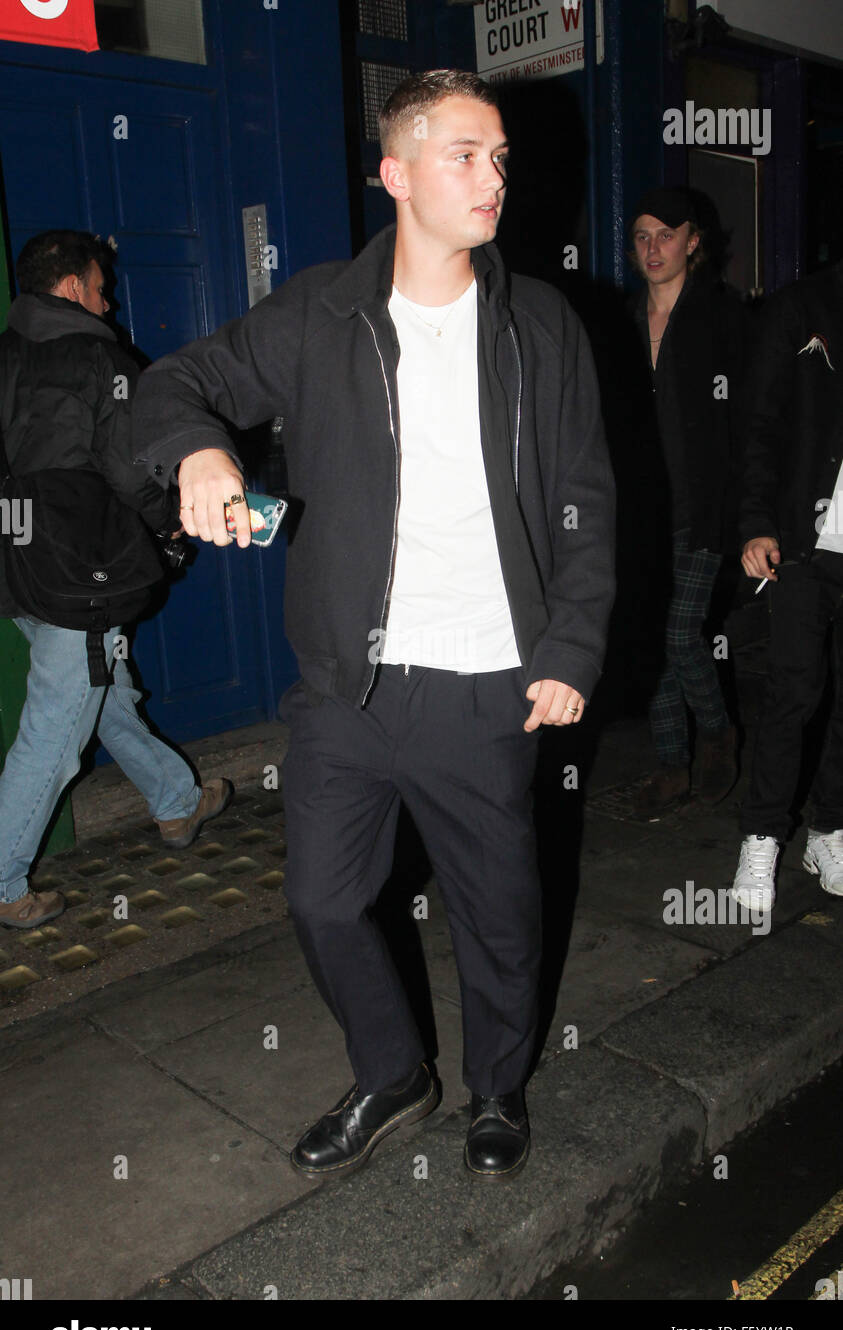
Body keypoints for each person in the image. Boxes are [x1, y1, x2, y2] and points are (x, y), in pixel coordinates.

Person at [132, 71, 616, 1181]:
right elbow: (175, 384)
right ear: (396, 174)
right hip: (351, 683)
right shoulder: (319, 312)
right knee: (324, 897)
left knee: (499, 914)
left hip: (490, 681)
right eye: (465, 155)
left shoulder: (543, 323)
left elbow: (590, 496)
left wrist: (573, 645)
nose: (494, 177)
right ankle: (394, 1070)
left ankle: (498, 1087)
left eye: (500, 157)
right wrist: (202, 449)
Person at [0, 230, 232, 930]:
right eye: (102, 286)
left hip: (17, 562)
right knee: (54, 730)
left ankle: (174, 801)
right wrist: (170, 528)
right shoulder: (100, 359)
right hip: (80, 572)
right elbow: (135, 470)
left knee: (102, 691)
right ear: (71, 287)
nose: (111, 300)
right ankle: (5, 879)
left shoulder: (4, 355)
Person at [627, 188, 746, 817]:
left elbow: (750, 423)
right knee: (658, 639)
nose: (653, 247)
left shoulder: (722, 318)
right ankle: (672, 765)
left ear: (692, 242)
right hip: (643, 512)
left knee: (679, 633)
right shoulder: (621, 320)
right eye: (643, 235)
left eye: (666, 234)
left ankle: (720, 733)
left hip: (703, 507)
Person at [730, 256, 843, 910]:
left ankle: (827, 826)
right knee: (792, 693)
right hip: (805, 540)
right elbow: (759, 425)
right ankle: (762, 836)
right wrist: (754, 521)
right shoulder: (804, 306)